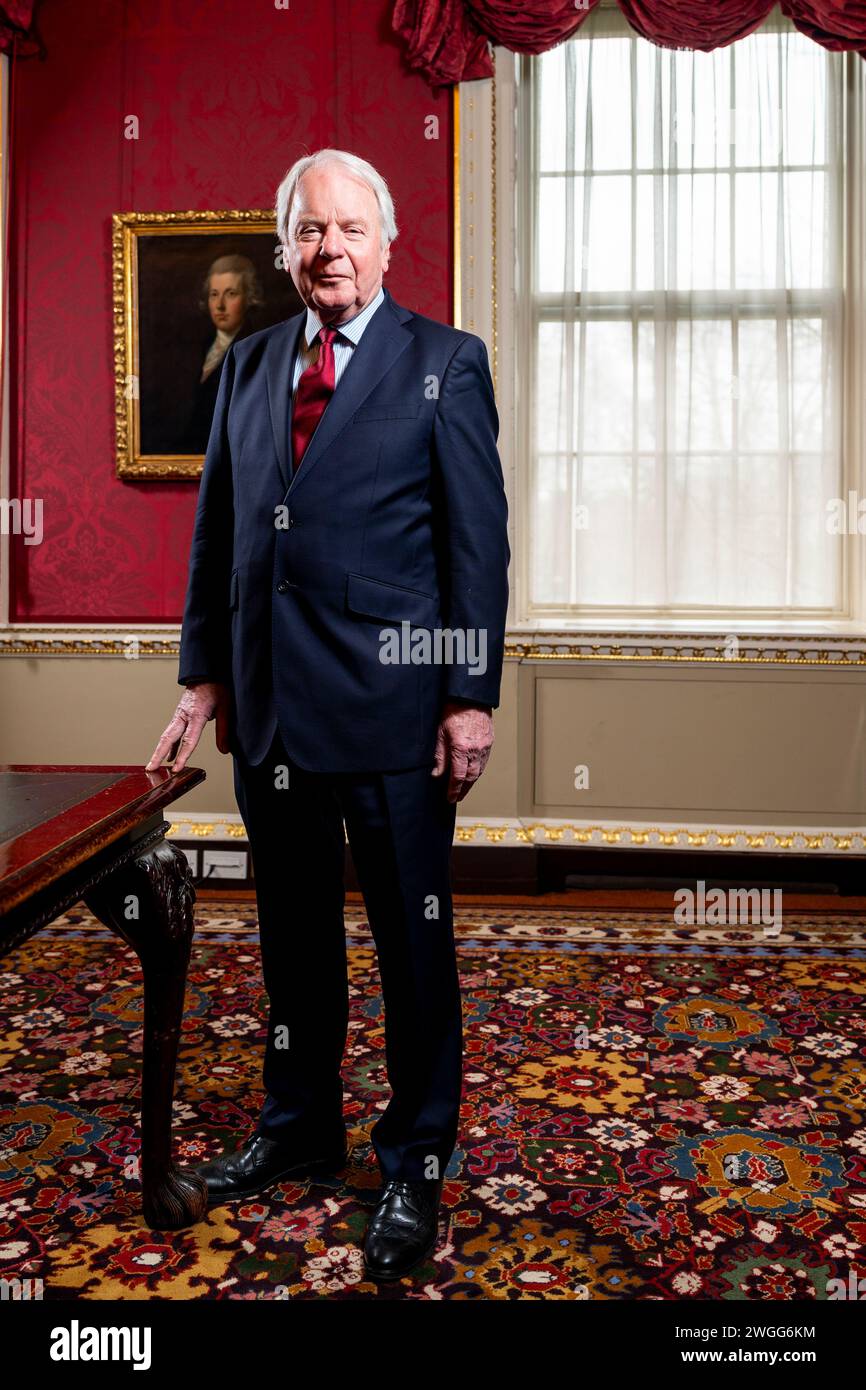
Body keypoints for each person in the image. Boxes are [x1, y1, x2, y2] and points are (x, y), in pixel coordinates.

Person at [146, 148, 510, 1282]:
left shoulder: (445, 362)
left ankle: (415, 1156)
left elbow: (475, 545)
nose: (329, 249)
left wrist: (465, 695)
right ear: (284, 250)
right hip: (273, 717)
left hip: (397, 715)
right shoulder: (251, 364)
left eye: (349, 229)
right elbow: (220, 535)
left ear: (387, 244)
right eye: (308, 232)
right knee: (292, 942)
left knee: (413, 946)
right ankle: (301, 1120)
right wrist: (201, 682)